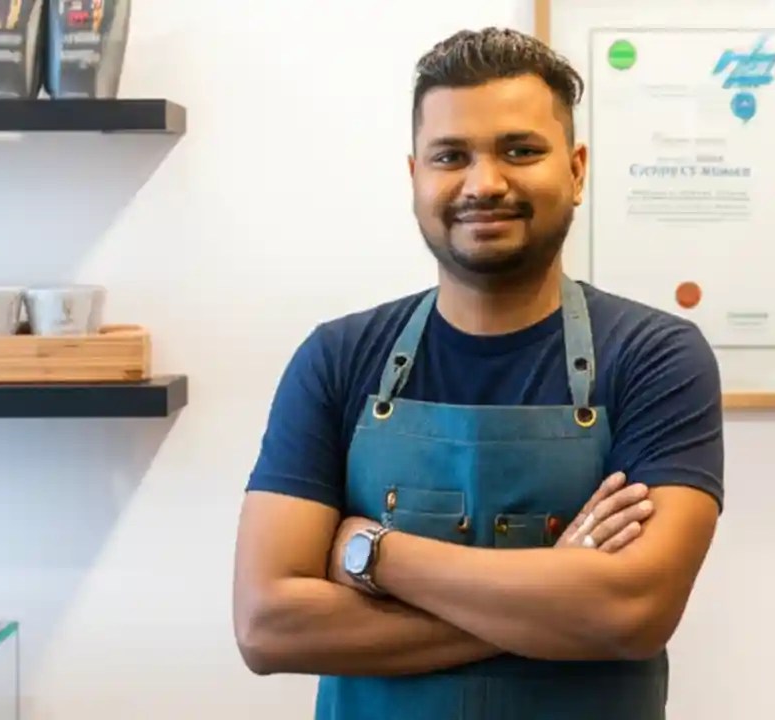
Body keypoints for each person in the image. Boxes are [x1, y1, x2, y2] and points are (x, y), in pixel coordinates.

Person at [233, 26, 724, 720]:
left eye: (520, 151)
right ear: (416, 178)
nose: (484, 183)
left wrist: (374, 555)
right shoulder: (338, 359)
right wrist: (558, 601)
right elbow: (267, 625)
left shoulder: (654, 357)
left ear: (577, 169)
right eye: (450, 156)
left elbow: (633, 612)